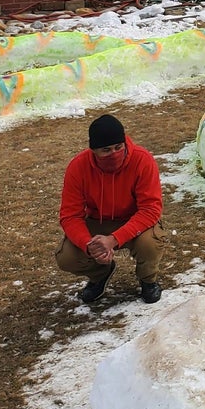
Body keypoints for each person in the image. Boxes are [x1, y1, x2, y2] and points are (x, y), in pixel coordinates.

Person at [56, 114, 167, 304]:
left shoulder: (143, 160)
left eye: (118, 147)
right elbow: (70, 215)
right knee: (67, 257)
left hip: (135, 222)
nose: (114, 154)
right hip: (98, 223)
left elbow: (150, 209)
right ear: (94, 151)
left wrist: (114, 239)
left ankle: (148, 280)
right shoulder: (78, 167)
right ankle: (100, 274)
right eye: (106, 150)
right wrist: (89, 246)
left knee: (150, 243)